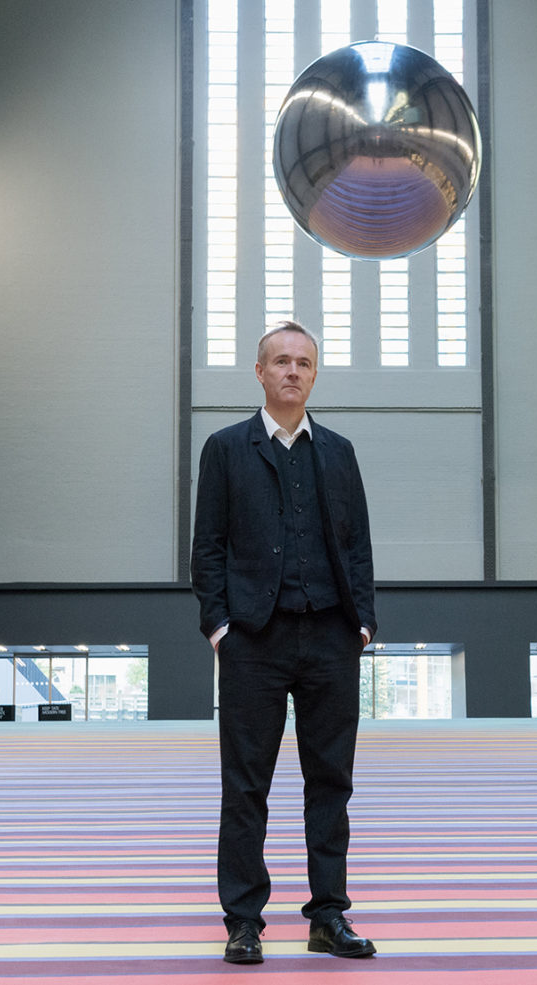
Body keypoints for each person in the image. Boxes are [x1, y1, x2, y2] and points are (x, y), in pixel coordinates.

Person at [191, 321, 378, 965]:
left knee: (332, 782)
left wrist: (362, 623)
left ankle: (328, 916)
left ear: (314, 374)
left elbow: (356, 545)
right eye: (281, 361)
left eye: (303, 362)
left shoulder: (340, 451)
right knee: (246, 786)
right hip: (253, 643)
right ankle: (243, 920)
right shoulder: (224, 448)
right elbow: (207, 547)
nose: (293, 371)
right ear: (260, 372)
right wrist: (220, 628)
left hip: (331, 637)